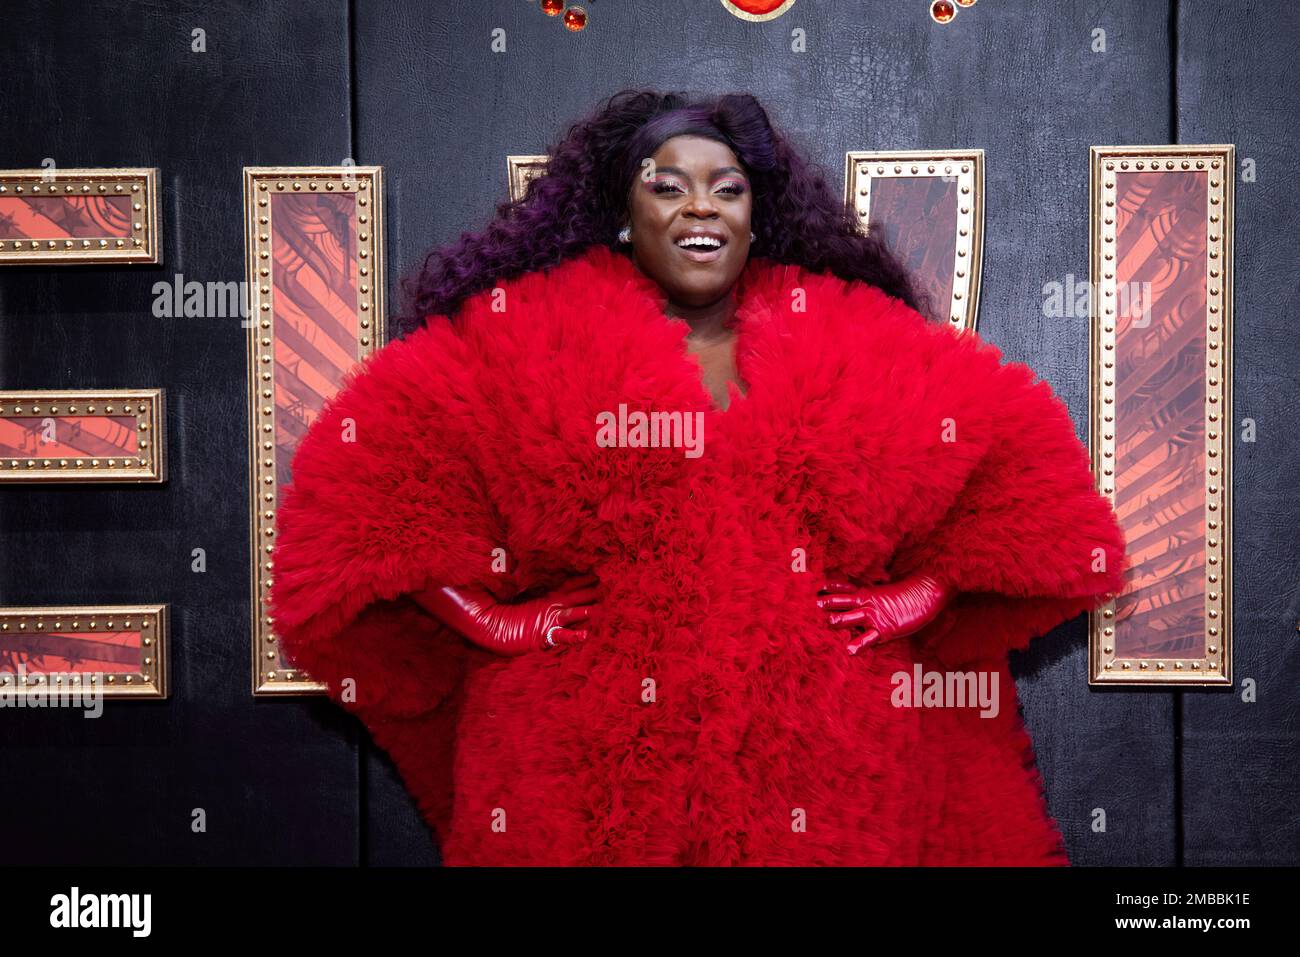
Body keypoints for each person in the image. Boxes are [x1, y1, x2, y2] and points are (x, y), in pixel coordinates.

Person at [268, 89, 1127, 866]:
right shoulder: (520, 335)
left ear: (758, 212)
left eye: (727, 187)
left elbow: (1021, 490)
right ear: (621, 210)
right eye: (667, 186)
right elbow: (365, 506)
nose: (700, 208)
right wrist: (492, 623)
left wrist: (920, 596)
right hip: (584, 773)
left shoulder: (853, 333)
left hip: (822, 765)